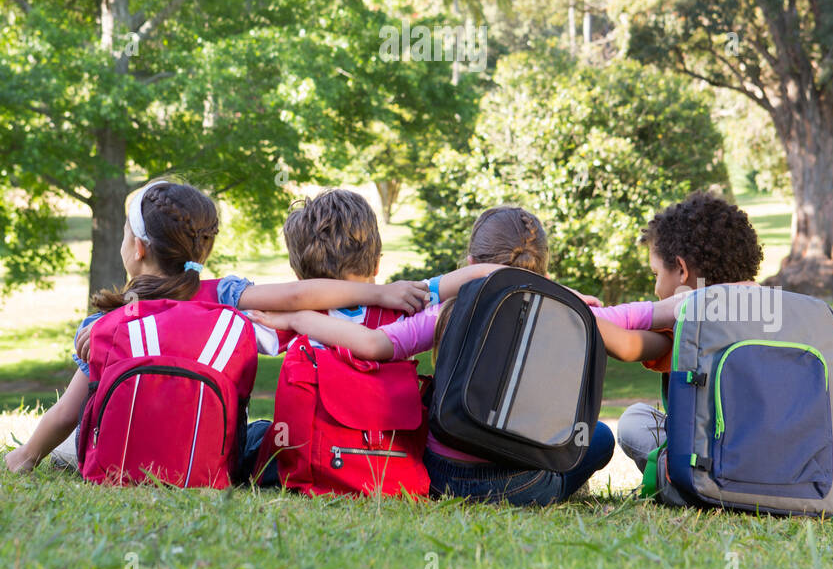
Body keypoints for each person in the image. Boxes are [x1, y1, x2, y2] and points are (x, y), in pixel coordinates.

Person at [250, 203, 679, 505]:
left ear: (470, 262)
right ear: (545, 270)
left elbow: (376, 345)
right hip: (523, 483)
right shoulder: (571, 313)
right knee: (598, 439)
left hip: (442, 476)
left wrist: (301, 320)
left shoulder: (443, 310)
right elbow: (636, 316)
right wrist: (682, 307)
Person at [4, 179, 428, 476]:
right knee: (261, 434)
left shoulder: (108, 320)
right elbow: (299, 297)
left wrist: (22, 458)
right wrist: (377, 293)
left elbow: (66, 411)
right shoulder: (223, 296)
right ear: (203, 246)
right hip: (207, 453)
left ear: (136, 248)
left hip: (120, 443)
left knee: (77, 436)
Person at [615, 191, 764, 474]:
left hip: (712, 465)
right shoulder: (777, 313)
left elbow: (624, 344)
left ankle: (673, 473)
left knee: (634, 420)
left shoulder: (685, 326)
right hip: (782, 459)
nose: (656, 287)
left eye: (655, 274)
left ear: (681, 270)